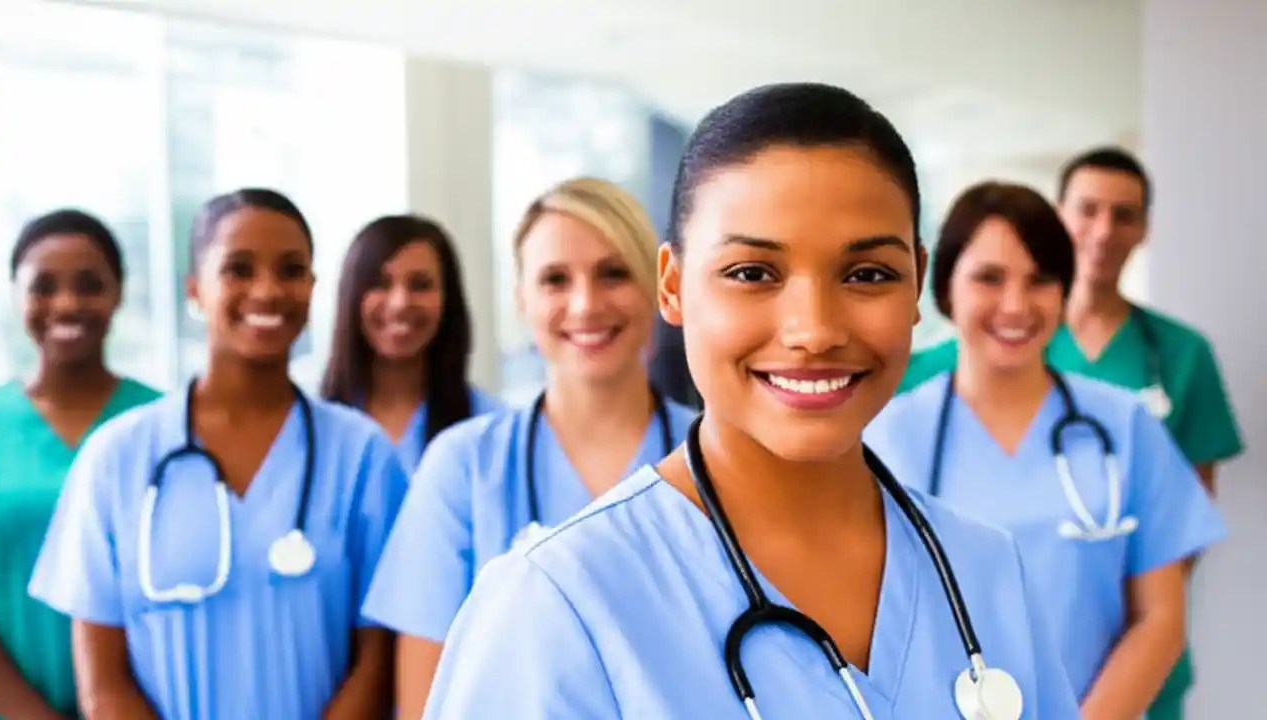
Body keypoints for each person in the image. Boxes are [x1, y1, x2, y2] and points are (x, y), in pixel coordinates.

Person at [419, 83, 1079, 719]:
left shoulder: (987, 573)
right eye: (752, 273)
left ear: (916, 288)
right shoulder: (556, 604)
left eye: (868, 274)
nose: (814, 329)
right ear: (673, 287)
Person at [27, 189, 408, 719]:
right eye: (238, 269)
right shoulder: (117, 457)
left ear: (313, 287)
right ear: (194, 291)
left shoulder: (361, 454)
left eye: (292, 270)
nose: (268, 290)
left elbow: (380, 657)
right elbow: (103, 681)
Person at [898, 147, 1243, 719]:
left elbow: (1160, 615)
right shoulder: (890, 431)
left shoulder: (1125, 424)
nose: (1016, 304)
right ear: (943, 287)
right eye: (988, 277)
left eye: (1040, 280)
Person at [361, 176, 698, 718]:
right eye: (555, 280)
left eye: (614, 274)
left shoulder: (720, 458)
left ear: (661, 288)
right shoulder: (465, 467)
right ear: (522, 301)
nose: (586, 304)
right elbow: (428, 701)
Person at [0, 210, 160, 720]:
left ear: (118, 293)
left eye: (90, 285)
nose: (67, 303)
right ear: (16, 295)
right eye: (44, 286)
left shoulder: (165, 427)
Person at [320, 214, 501, 474]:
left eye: (420, 285)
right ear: (352, 295)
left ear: (448, 300)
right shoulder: (310, 427)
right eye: (380, 284)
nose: (400, 302)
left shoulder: (492, 427)